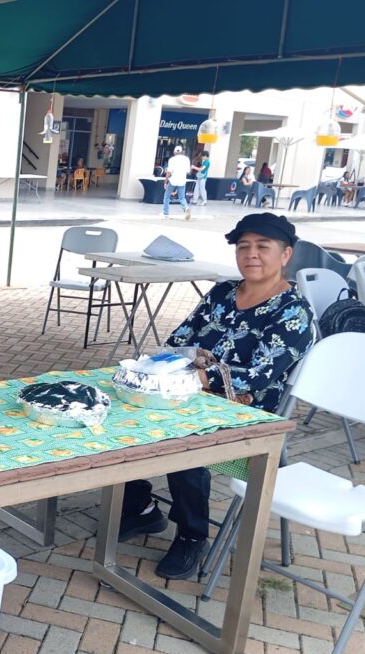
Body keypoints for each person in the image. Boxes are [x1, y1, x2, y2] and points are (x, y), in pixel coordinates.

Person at [117, 213, 313, 579]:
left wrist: (198, 371)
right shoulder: (223, 292)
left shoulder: (294, 313)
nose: (251, 254)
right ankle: (140, 506)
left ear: (285, 255)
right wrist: (190, 371)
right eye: (244, 247)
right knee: (122, 409)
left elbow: (256, 378)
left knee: (185, 444)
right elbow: (177, 342)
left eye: (262, 247)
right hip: (191, 393)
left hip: (247, 413)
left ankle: (192, 535)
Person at [162, 145, 191, 220]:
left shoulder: (172, 159)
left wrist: (165, 182)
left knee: (167, 196)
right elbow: (188, 171)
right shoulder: (186, 159)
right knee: (182, 197)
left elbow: (169, 172)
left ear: (174, 152)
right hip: (182, 181)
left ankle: (165, 212)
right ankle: (186, 208)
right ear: (181, 152)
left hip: (173, 181)